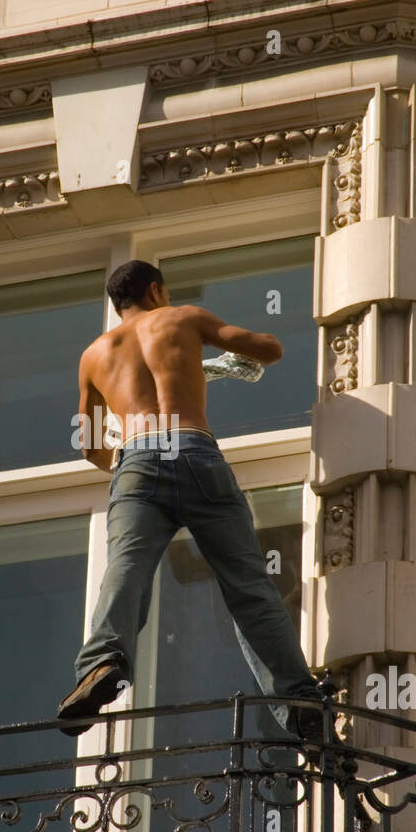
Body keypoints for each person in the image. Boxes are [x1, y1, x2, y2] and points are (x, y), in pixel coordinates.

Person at [56, 259, 326, 739]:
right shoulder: (183, 317)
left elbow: (89, 444)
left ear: (118, 304)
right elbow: (269, 350)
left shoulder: (93, 355)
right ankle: (297, 697)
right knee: (247, 584)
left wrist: (126, 465)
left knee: (127, 568)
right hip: (194, 448)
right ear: (156, 290)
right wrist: (208, 362)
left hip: (136, 459)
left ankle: (100, 665)